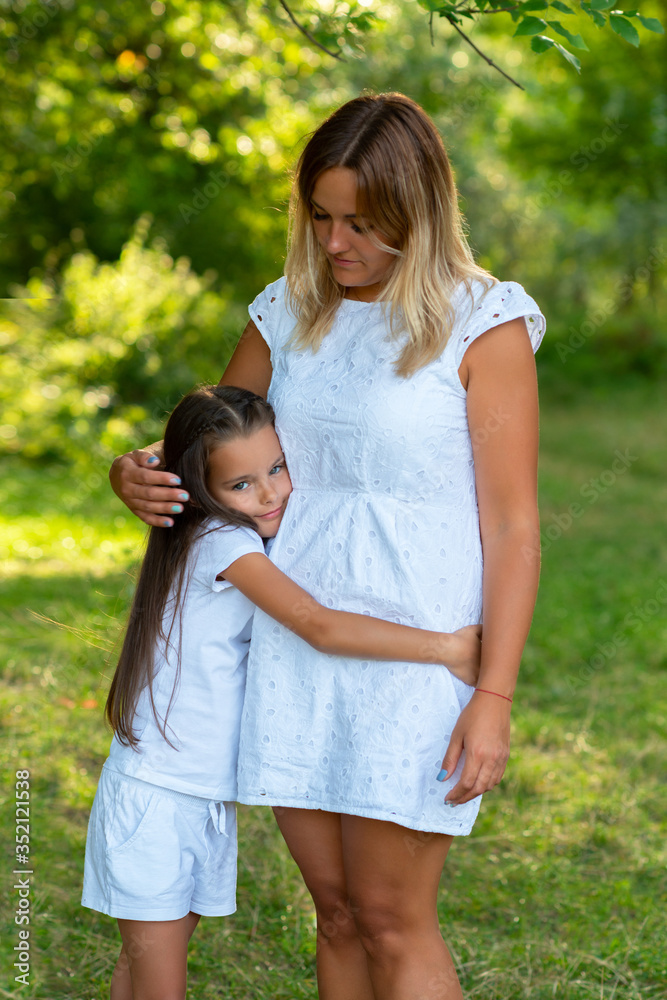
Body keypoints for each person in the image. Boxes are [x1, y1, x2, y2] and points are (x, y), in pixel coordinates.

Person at [110, 93, 545, 999]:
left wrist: (493, 692)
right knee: (338, 914)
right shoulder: (288, 310)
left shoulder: (482, 323)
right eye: (319, 216)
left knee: (392, 919)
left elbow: (511, 523)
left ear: (417, 216)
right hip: (293, 643)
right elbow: (206, 447)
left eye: (362, 223)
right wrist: (135, 471)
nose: (335, 242)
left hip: (420, 652)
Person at [89, 382, 482, 1000]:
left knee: (140, 971)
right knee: (155, 981)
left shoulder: (230, 536)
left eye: (276, 468)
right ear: (198, 491)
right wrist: (447, 647)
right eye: (241, 484)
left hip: (194, 797)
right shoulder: (221, 543)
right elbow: (317, 624)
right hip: (159, 801)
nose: (269, 492)